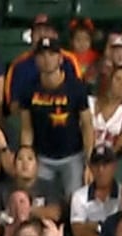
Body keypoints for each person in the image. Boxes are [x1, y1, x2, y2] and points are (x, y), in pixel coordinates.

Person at [19, 36, 93, 197]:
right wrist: (27, 155)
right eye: (42, 55)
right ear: (36, 60)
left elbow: (87, 126)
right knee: (38, 199)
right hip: (42, 156)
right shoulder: (28, 89)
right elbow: (26, 127)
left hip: (73, 155)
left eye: (51, 55)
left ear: (60, 59)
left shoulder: (76, 87)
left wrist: (89, 162)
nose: (47, 60)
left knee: (74, 201)